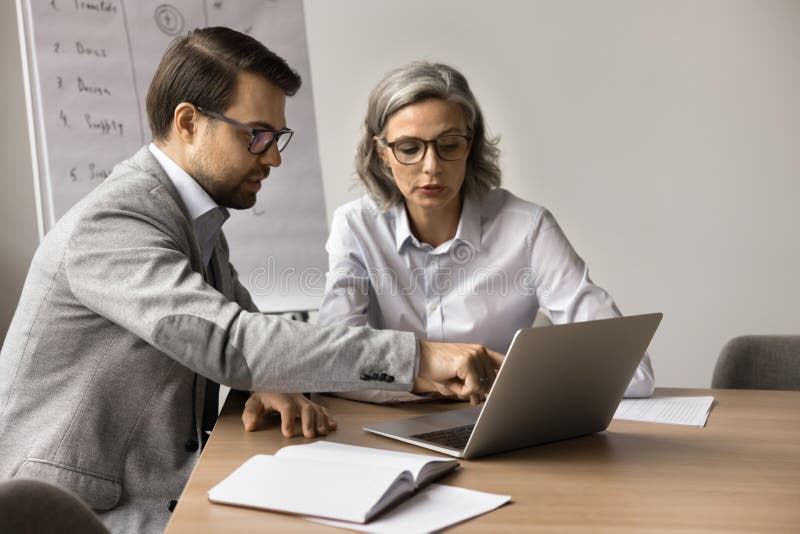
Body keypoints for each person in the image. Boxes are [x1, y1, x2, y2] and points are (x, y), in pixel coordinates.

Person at [0, 30, 501, 533]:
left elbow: (245, 325)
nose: (274, 158)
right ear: (189, 122)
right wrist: (418, 357)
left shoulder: (196, 221)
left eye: (277, 138)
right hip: (70, 513)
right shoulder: (116, 223)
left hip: (151, 496)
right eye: (257, 135)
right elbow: (228, 341)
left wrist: (267, 376)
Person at [251, 61, 654, 408]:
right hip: (384, 435)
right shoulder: (356, 227)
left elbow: (632, 372)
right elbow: (335, 364)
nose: (431, 167)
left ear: (471, 145)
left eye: (449, 144)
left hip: (500, 429)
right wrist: (429, 374)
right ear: (382, 153)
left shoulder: (527, 228)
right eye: (409, 147)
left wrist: (503, 378)